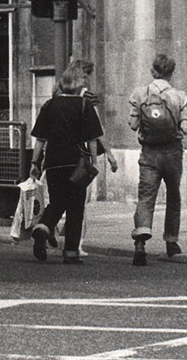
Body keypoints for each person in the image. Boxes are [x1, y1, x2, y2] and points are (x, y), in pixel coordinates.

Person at [28, 65, 104, 264]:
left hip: (53, 162)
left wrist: (35, 162)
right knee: (76, 207)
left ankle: (43, 227)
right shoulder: (84, 105)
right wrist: (94, 161)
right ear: (79, 84)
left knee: (57, 201)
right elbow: (93, 138)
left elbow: (40, 139)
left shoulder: (49, 105)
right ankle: (71, 252)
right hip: (76, 162)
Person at [127, 53, 187, 265]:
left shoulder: (139, 94)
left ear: (152, 71)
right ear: (171, 73)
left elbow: (133, 125)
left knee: (146, 197)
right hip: (172, 153)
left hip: (149, 153)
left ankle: (140, 242)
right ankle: (171, 241)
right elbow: (186, 128)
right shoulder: (180, 96)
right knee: (173, 196)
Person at [56, 58, 119, 257]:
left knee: (60, 198)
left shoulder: (58, 94)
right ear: (83, 76)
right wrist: (108, 154)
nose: (88, 81)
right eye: (87, 76)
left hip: (58, 154)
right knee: (80, 201)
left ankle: (51, 229)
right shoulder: (88, 98)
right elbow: (97, 130)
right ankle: (76, 244)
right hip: (81, 156)